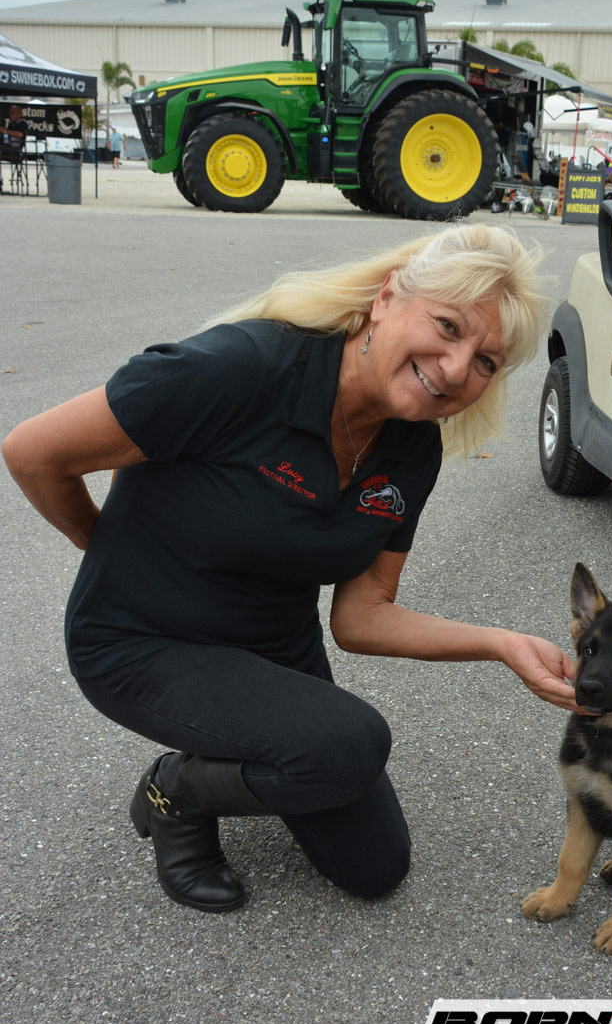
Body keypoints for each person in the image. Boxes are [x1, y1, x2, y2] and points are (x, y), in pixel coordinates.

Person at [2, 222, 582, 915]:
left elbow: (362, 617)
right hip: (142, 639)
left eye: (486, 361)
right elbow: (33, 452)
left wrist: (502, 645)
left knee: (375, 867)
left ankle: (218, 759)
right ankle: (176, 793)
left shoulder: (412, 450)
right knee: (349, 745)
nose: (457, 370)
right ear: (387, 299)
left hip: (272, 648)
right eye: (447, 326)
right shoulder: (239, 367)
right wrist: (104, 549)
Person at [0, 104, 28, 193]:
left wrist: (4, 131)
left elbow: (19, 134)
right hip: (8, 147)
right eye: (10, 113)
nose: (11, 115)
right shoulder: (11, 123)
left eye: (13, 113)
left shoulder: (23, 123)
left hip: (15, 149)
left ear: (19, 114)